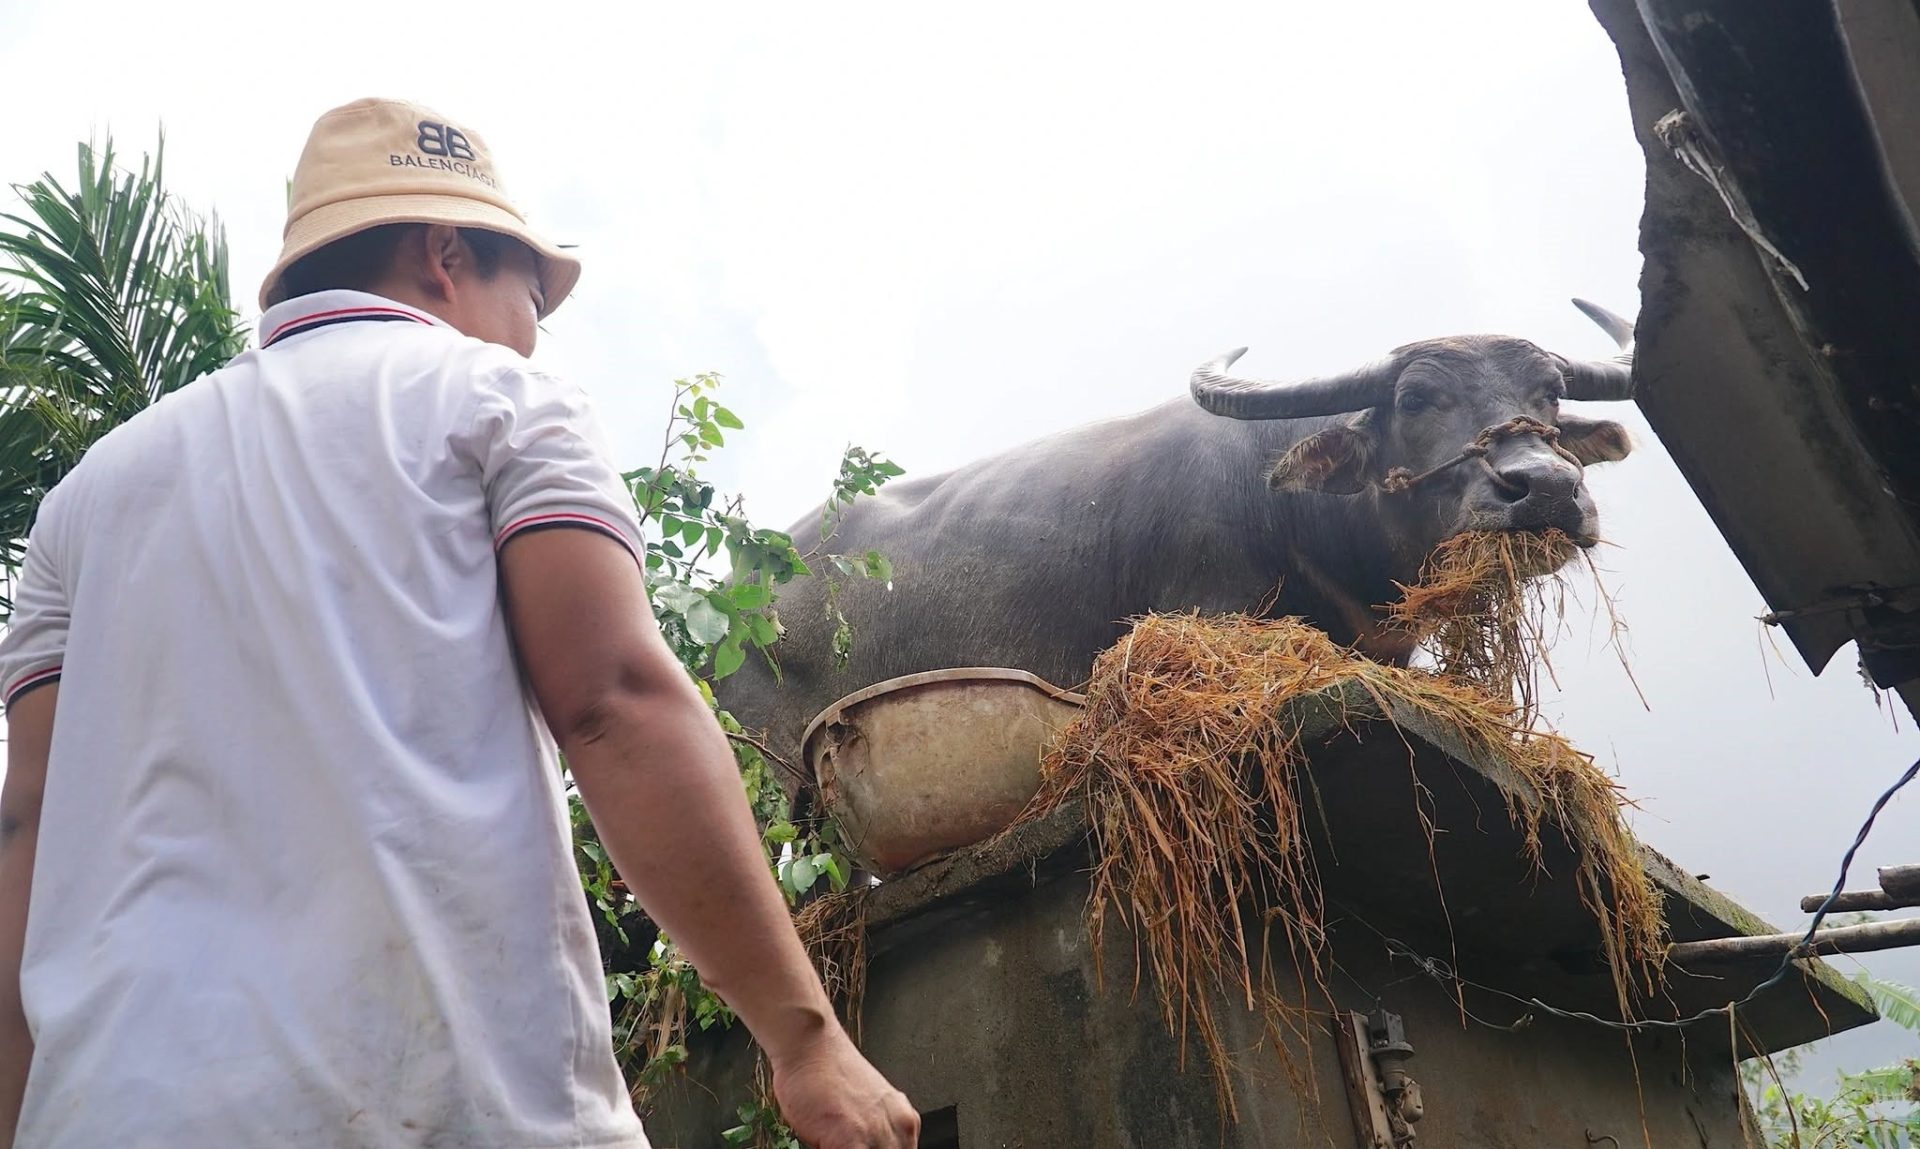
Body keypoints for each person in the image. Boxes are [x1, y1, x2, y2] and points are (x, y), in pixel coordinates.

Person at [0, 97, 918, 1149]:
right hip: (442, 1103)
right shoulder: (500, 402)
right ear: (445, 254)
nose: (533, 332)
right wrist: (806, 1042)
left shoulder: (85, 500)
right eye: (532, 293)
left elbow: (26, 826)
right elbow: (614, 705)